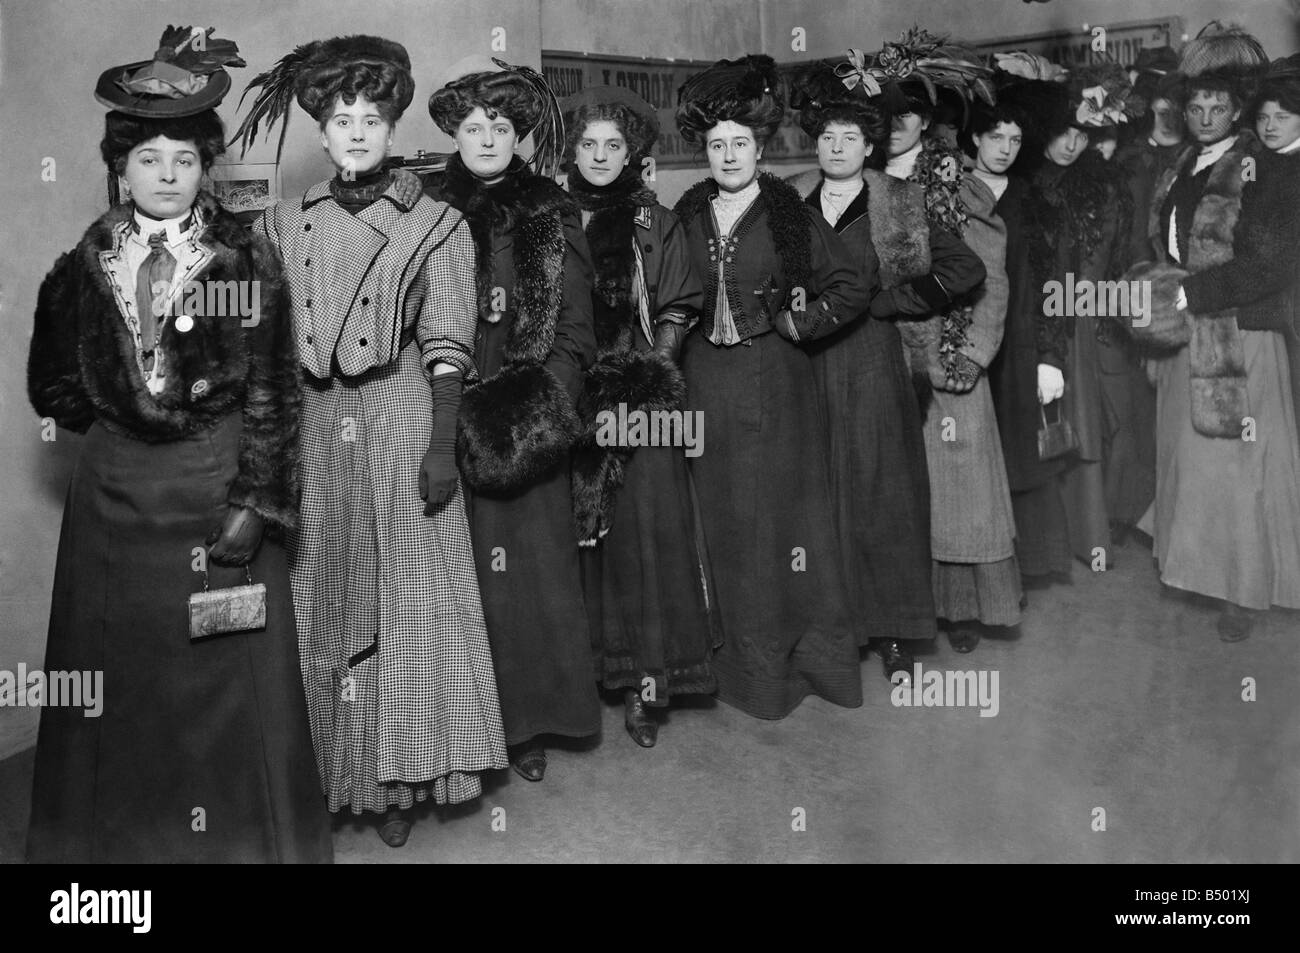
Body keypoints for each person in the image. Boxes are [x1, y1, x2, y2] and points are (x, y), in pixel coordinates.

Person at [26, 28, 331, 862]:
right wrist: (131, 413)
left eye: (185, 160)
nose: (168, 175)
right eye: (150, 159)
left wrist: (256, 501)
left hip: (217, 496)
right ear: (120, 168)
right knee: (123, 696)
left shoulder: (245, 258)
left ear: (206, 167)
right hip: (113, 512)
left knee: (226, 697)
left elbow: (275, 390)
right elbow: (51, 388)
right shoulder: (79, 268)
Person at [233, 35, 507, 847]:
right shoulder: (283, 223)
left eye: (373, 119)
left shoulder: (438, 222)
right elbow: (268, 347)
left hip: (399, 413)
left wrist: (442, 443)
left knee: (409, 596)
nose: (357, 133)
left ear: (393, 128)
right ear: (323, 131)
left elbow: (449, 340)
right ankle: (333, 772)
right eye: (342, 119)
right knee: (325, 590)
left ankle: (402, 782)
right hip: (318, 423)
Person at [672, 54, 873, 719]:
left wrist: (800, 322)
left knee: (779, 523)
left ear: (760, 148)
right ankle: (727, 664)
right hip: (707, 383)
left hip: (777, 382)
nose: (729, 154)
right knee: (721, 518)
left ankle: (787, 667)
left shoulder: (788, 209)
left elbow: (850, 283)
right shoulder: (691, 211)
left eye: (740, 143)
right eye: (716, 144)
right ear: (704, 151)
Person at [426, 60, 600, 778]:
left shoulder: (551, 208)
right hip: (447, 402)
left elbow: (576, 327)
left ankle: (529, 723)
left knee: (530, 572)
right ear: (455, 133)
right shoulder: (427, 204)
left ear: (519, 133)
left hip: (528, 412)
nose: (488, 138)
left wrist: (536, 410)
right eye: (474, 127)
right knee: (455, 573)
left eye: (500, 126)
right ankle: (462, 729)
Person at [561, 85, 717, 746]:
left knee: (644, 536)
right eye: (589, 144)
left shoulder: (654, 219)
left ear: (632, 154)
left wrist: (650, 371)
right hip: (570, 393)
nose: (600, 156)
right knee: (580, 538)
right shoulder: (555, 215)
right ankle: (594, 671)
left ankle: (646, 685)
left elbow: (679, 303)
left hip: (641, 399)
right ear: (573, 149)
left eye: (613, 146)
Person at [1131, 30, 1300, 640]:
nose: (1204, 118)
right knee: (1195, 466)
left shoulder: (1262, 163)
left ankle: (1246, 593)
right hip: (1190, 337)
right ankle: (1203, 573)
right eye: (1195, 107)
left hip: (1241, 340)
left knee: (1240, 471)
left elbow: (1274, 263)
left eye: (1218, 108)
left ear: (1238, 109)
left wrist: (1191, 294)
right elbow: (1169, 245)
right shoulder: (1181, 164)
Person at [785, 64, 935, 673]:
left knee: (882, 492)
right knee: (819, 495)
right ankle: (833, 627)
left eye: (850, 138)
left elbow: (959, 272)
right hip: (810, 360)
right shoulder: (791, 198)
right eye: (827, 138)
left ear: (870, 146)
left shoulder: (898, 199)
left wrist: (887, 303)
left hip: (876, 358)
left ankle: (894, 631)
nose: (837, 148)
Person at [1021, 63, 1134, 575]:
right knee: (1038, 429)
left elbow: (1108, 260)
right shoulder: (1024, 185)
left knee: (1083, 426)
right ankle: (1043, 543)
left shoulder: (1102, 186)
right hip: (1030, 317)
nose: (1069, 144)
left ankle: (1089, 537)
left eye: (1079, 134)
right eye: (1061, 133)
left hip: (1079, 317)